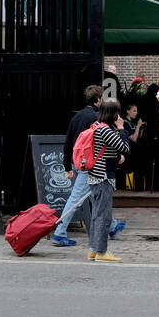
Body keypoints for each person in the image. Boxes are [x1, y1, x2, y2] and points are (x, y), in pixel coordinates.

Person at [54, 85, 127, 247]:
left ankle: (112, 226)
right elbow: (104, 144)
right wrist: (116, 158)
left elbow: (68, 143)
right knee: (77, 198)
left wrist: (67, 166)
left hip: (79, 162)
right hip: (93, 164)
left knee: (96, 196)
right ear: (98, 99)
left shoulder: (77, 117)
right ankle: (59, 232)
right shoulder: (97, 118)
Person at [87, 100, 131, 262]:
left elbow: (105, 150)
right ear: (113, 114)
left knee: (96, 214)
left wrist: (117, 157)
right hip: (103, 176)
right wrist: (121, 129)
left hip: (94, 175)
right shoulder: (106, 130)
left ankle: (93, 249)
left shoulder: (96, 126)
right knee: (104, 215)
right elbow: (125, 147)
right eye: (117, 113)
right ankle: (101, 251)